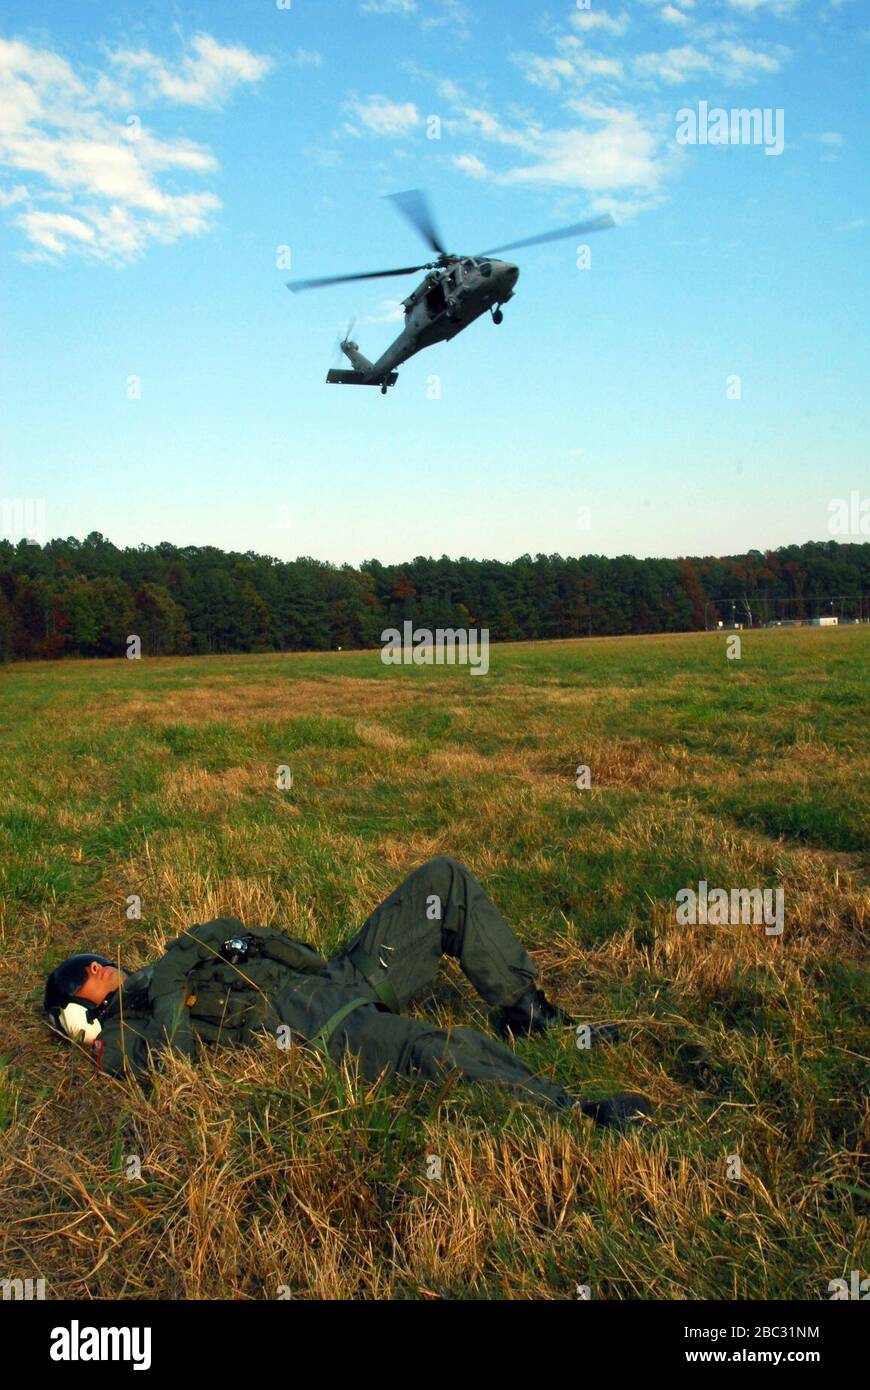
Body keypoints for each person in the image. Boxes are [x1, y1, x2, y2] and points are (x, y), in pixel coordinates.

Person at [42, 856, 653, 1131]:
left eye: (98, 960)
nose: (104, 965)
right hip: (310, 1020)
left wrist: (215, 945)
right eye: (91, 972)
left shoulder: (167, 970)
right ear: (83, 1006)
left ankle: (527, 1013)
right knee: (430, 1051)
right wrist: (99, 1023)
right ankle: (570, 1109)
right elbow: (156, 1058)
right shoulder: (134, 1025)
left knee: (442, 878)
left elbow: (261, 938)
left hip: (336, 975)